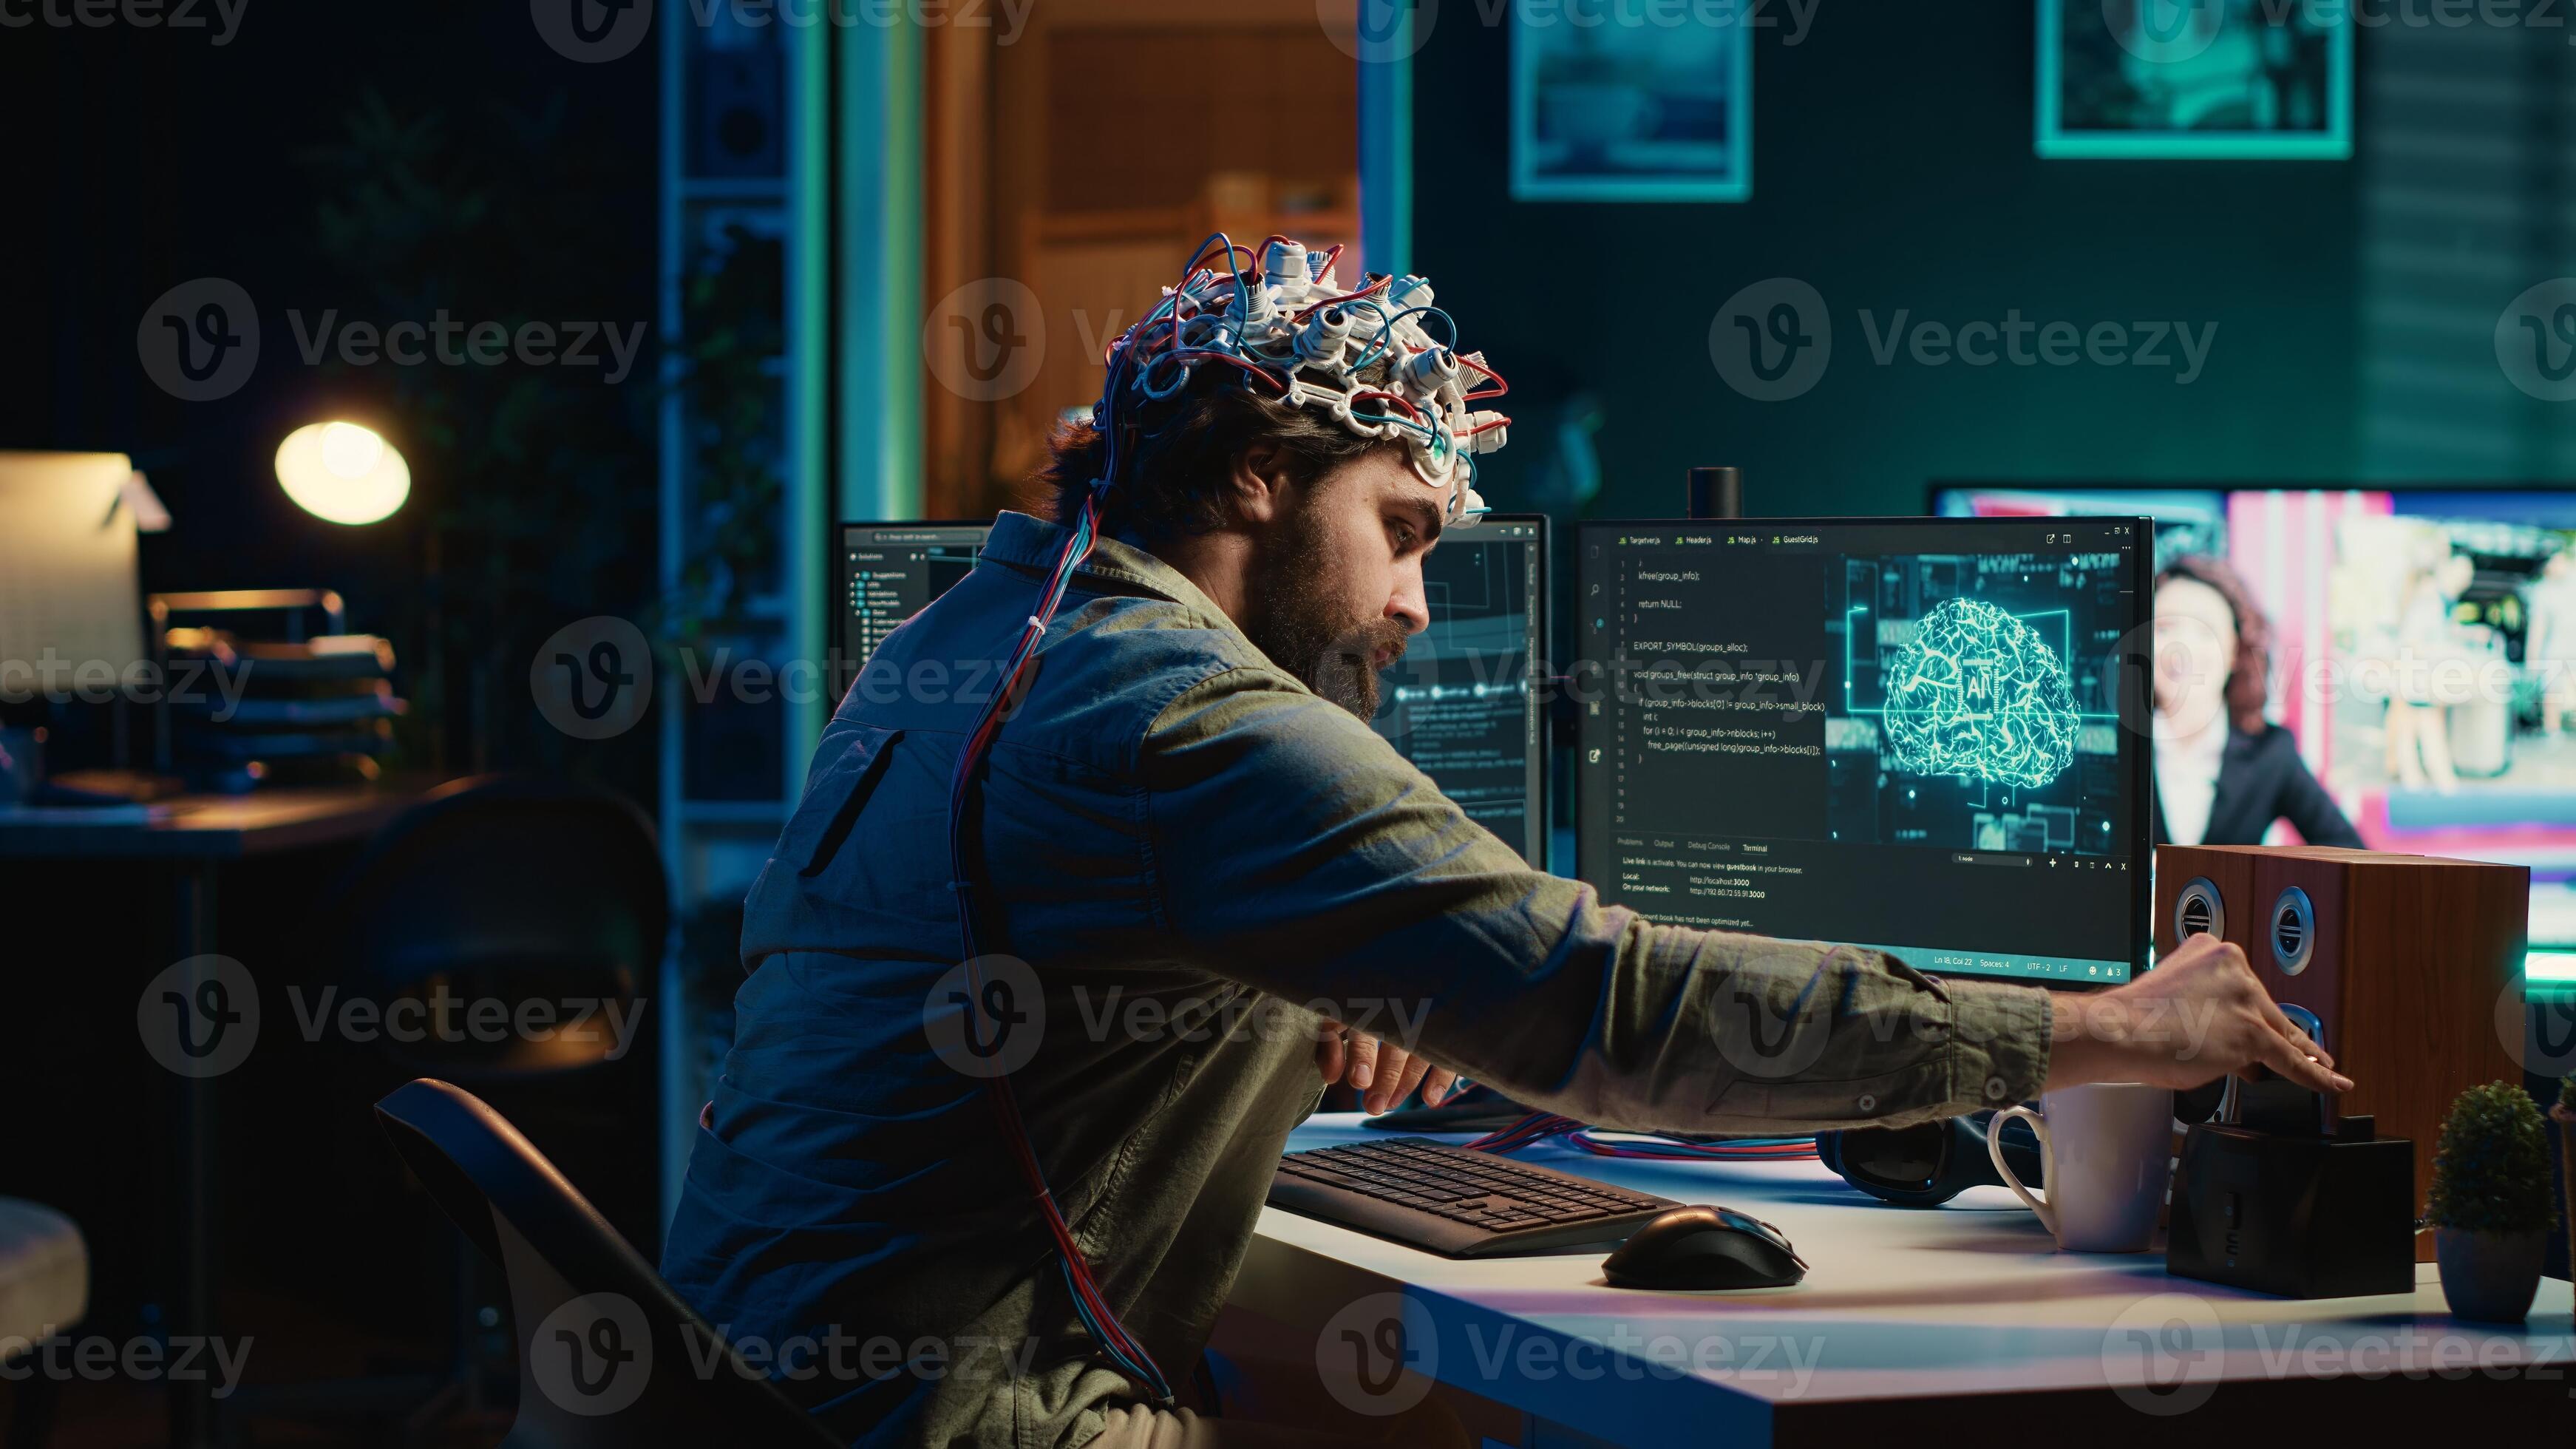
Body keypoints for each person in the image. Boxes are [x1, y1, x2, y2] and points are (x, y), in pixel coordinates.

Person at [662, 245, 2347, 1449]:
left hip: (755, 1386)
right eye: (1397, 530)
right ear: (1253, 475)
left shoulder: (959, 647)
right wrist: (2113, 1029)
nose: (1411, 599)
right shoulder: (1179, 712)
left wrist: (1266, 1000)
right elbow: (1608, 1011)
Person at [2151, 555, 2362, 848]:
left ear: (2235, 649)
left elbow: (2351, 853)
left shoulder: (2272, 753)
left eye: (2204, 630)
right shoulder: (2108, 749)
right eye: (2164, 629)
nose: (2182, 648)